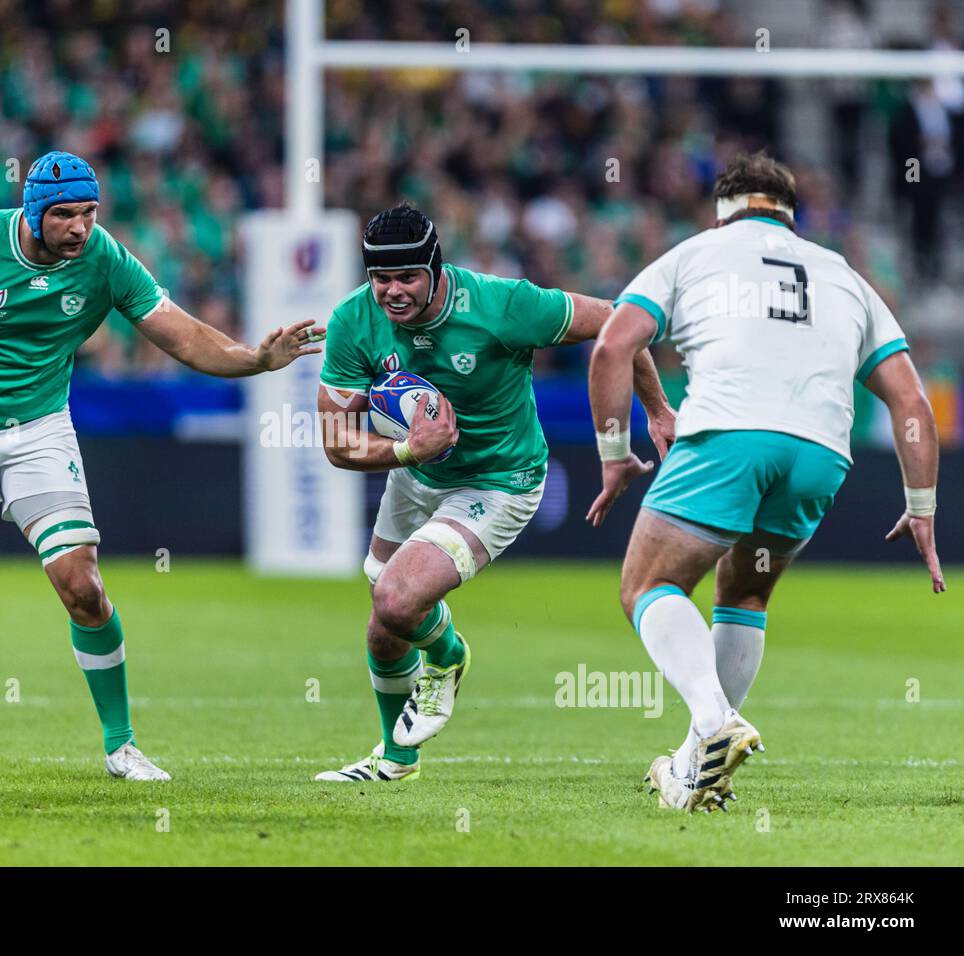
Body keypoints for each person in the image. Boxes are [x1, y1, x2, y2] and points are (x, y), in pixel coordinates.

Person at [0, 151, 324, 780]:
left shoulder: (103, 260)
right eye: (65, 216)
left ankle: (120, 744)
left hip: (41, 431)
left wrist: (254, 359)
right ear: (32, 213)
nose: (80, 227)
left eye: (89, 212)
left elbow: (178, 332)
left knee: (83, 586)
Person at [587, 152, 944, 813]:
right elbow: (912, 402)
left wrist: (614, 453)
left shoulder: (694, 255)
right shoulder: (845, 276)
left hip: (729, 432)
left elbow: (612, 345)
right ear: (791, 216)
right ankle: (696, 772)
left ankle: (714, 719)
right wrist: (922, 507)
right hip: (821, 454)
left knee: (648, 584)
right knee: (745, 592)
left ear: (720, 214)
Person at [314, 203, 676, 782]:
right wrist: (410, 451)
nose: (393, 292)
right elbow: (335, 442)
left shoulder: (501, 305)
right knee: (385, 624)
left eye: (407, 276)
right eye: (380, 278)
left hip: (499, 482)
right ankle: (395, 757)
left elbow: (617, 320)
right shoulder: (353, 321)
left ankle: (449, 657)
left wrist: (655, 409)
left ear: (436, 268)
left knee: (399, 599)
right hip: (417, 475)